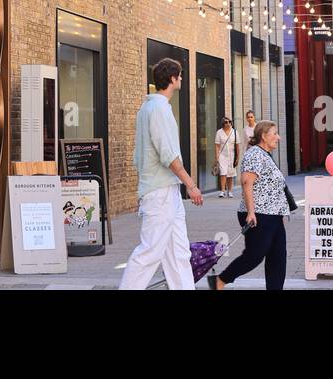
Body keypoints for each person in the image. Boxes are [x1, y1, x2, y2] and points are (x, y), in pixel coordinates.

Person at [119, 58, 203, 290]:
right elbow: (168, 154)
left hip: (164, 190)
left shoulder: (148, 108)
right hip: (160, 192)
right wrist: (191, 184)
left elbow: (140, 155)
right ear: (172, 79)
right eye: (180, 76)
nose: (182, 79)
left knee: (179, 253)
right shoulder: (158, 110)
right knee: (149, 252)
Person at [214, 120, 291, 291]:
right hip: (258, 214)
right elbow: (246, 182)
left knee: (278, 257)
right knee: (254, 256)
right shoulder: (255, 154)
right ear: (264, 136)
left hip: (273, 216)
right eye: (274, 134)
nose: (278, 138)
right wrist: (251, 212)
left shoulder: (265, 155)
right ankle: (221, 280)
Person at [214, 117, 238, 198]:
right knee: (223, 172)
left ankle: (230, 191)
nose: (228, 123)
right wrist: (217, 156)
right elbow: (217, 145)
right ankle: (222, 190)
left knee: (230, 174)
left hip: (232, 155)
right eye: (226, 122)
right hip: (222, 155)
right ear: (223, 124)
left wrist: (237, 157)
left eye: (229, 122)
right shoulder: (219, 132)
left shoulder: (234, 132)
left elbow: (237, 145)